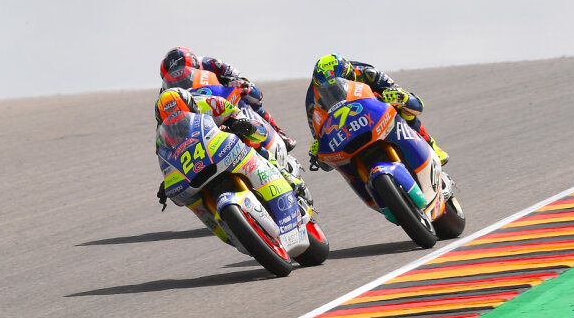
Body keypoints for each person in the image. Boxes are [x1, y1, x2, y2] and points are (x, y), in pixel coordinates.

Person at [153, 87, 308, 208]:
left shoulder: (211, 104)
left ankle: (285, 175)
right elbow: (168, 160)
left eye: (182, 115)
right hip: (197, 161)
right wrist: (166, 181)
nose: (177, 123)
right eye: (171, 120)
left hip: (221, 139)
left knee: (247, 136)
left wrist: (239, 125)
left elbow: (237, 115)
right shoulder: (161, 138)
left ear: (193, 106)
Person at [304, 53, 449, 167]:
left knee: (404, 106)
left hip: (376, 110)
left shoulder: (367, 72)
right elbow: (319, 135)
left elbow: (415, 104)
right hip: (346, 128)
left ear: (350, 73)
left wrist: (399, 96)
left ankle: (430, 144)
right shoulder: (312, 100)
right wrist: (318, 146)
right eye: (328, 89)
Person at [159, 46, 298, 151]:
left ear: (194, 66)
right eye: (174, 79)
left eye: (183, 75)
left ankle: (279, 134)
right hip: (196, 110)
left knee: (252, 98)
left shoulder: (212, 64)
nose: (179, 82)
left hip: (220, 98)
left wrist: (239, 84)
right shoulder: (165, 89)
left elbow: (246, 84)